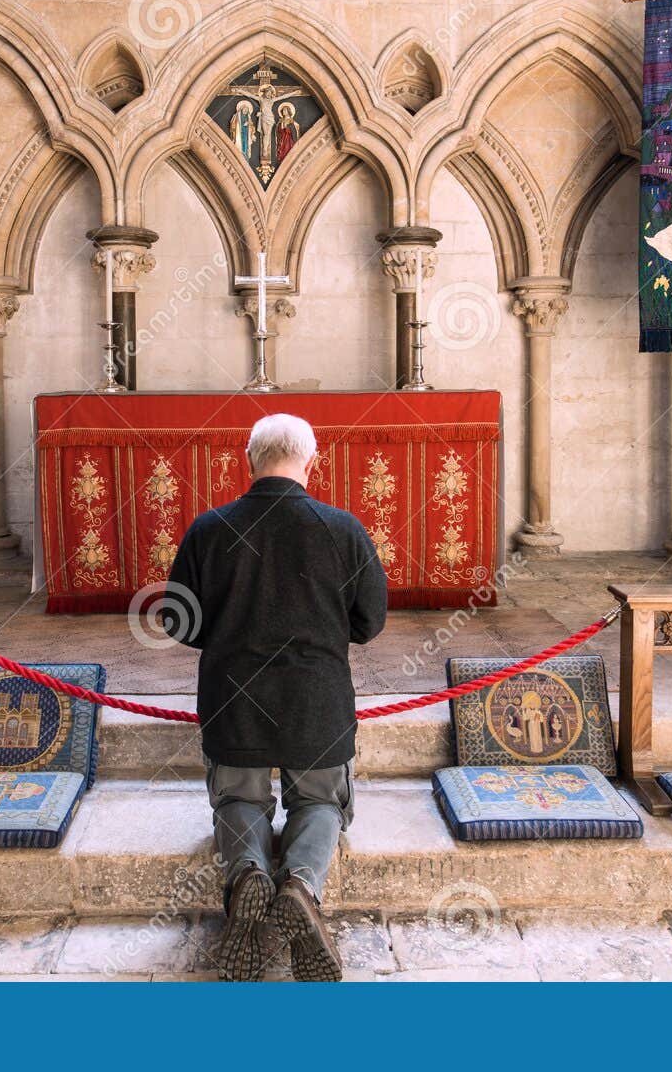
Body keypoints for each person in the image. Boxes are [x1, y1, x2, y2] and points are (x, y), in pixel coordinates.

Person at [163, 413, 387, 981]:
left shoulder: (209, 529)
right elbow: (370, 620)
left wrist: (226, 637)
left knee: (238, 800)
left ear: (248, 461)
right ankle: (302, 888)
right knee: (320, 804)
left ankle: (249, 876)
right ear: (311, 462)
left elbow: (177, 619)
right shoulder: (342, 528)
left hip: (232, 699)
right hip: (317, 701)